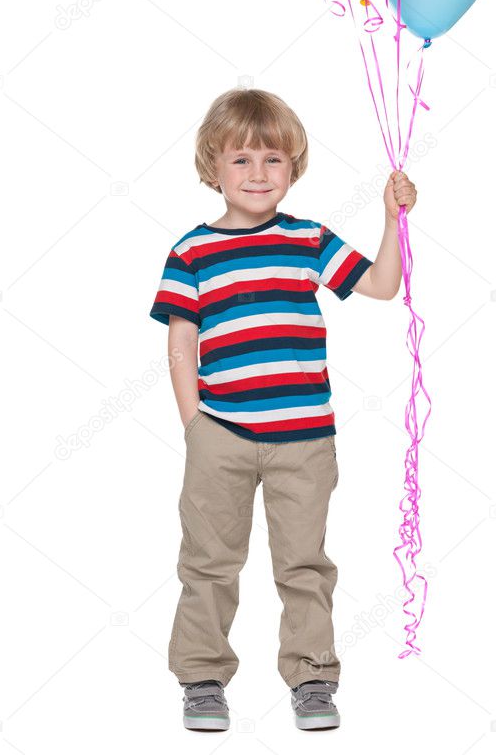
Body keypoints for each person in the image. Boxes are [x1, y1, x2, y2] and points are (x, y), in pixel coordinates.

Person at [149, 87, 417, 731]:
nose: (258, 174)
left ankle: (312, 676)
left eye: (273, 160)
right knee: (210, 561)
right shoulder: (192, 251)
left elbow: (382, 286)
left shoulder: (308, 239)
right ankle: (203, 676)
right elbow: (180, 341)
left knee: (304, 563)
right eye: (241, 160)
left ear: (293, 169)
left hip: (304, 438)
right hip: (221, 432)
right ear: (212, 168)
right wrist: (195, 425)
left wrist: (392, 219)